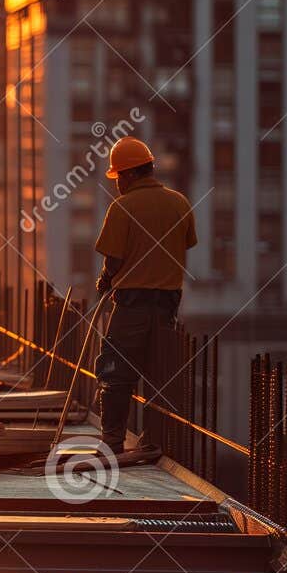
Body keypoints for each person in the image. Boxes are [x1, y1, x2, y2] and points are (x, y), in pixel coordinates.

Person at [92, 136, 197, 455]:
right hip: (167, 307)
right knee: (160, 375)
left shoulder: (122, 208)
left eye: (118, 177)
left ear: (127, 174)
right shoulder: (180, 202)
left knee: (116, 372)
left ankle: (112, 440)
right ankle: (155, 439)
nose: (117, 185)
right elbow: (187, 242)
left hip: (131, 307)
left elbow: (114, 258)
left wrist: (105, 279)